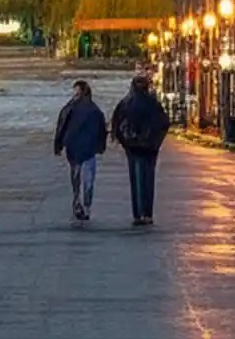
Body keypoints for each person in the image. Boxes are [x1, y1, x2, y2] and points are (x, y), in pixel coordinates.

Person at [112, 74, 171, 226]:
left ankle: (138, 214)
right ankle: (147, 213)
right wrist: (156, 141)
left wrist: (125, 142)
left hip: (133, 148)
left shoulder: (125, 103)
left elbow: (117, 125)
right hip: (150, 148)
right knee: (149, 179)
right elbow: (164, 123)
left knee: (136, 179)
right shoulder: (154, 104)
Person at [54, 80, 107, 223]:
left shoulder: (69, 108)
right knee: (88, 180)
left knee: (76, 178)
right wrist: (101, 146)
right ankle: (85, 205)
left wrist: (58, 145)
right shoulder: (95, 110)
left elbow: (61, 127)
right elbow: (102, 130)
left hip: (74, 149)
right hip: (88, 149)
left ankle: (78, 203)